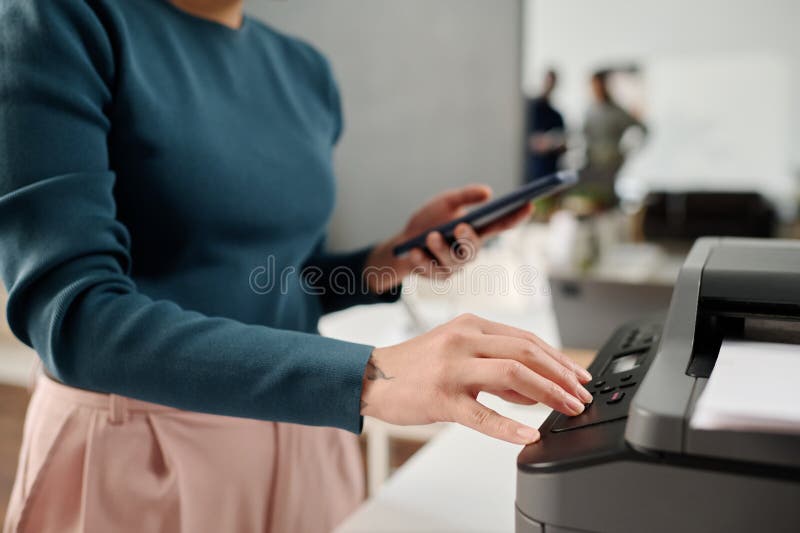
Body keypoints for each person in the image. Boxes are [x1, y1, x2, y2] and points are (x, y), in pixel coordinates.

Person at [0, 1, 593, 532]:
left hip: (306, 432)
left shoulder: (303, 70)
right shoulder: (60, 21)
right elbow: (74, 318)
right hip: (142, 447)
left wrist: (388, 260)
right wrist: (368, 376)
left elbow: (277, 280)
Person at [581, 69, 647, 205]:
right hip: (593, 163)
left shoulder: (616, 111)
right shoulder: (591, 111)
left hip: (611, 164)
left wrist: (627, 151)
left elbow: (643, 129)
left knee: (607, 199)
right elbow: (584, 136)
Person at [525, 70, 567, 182]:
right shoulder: (529, 110)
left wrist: (555, 144)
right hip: (531, 171)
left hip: (549, 172)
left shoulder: (556, 116)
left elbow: (564, 144)